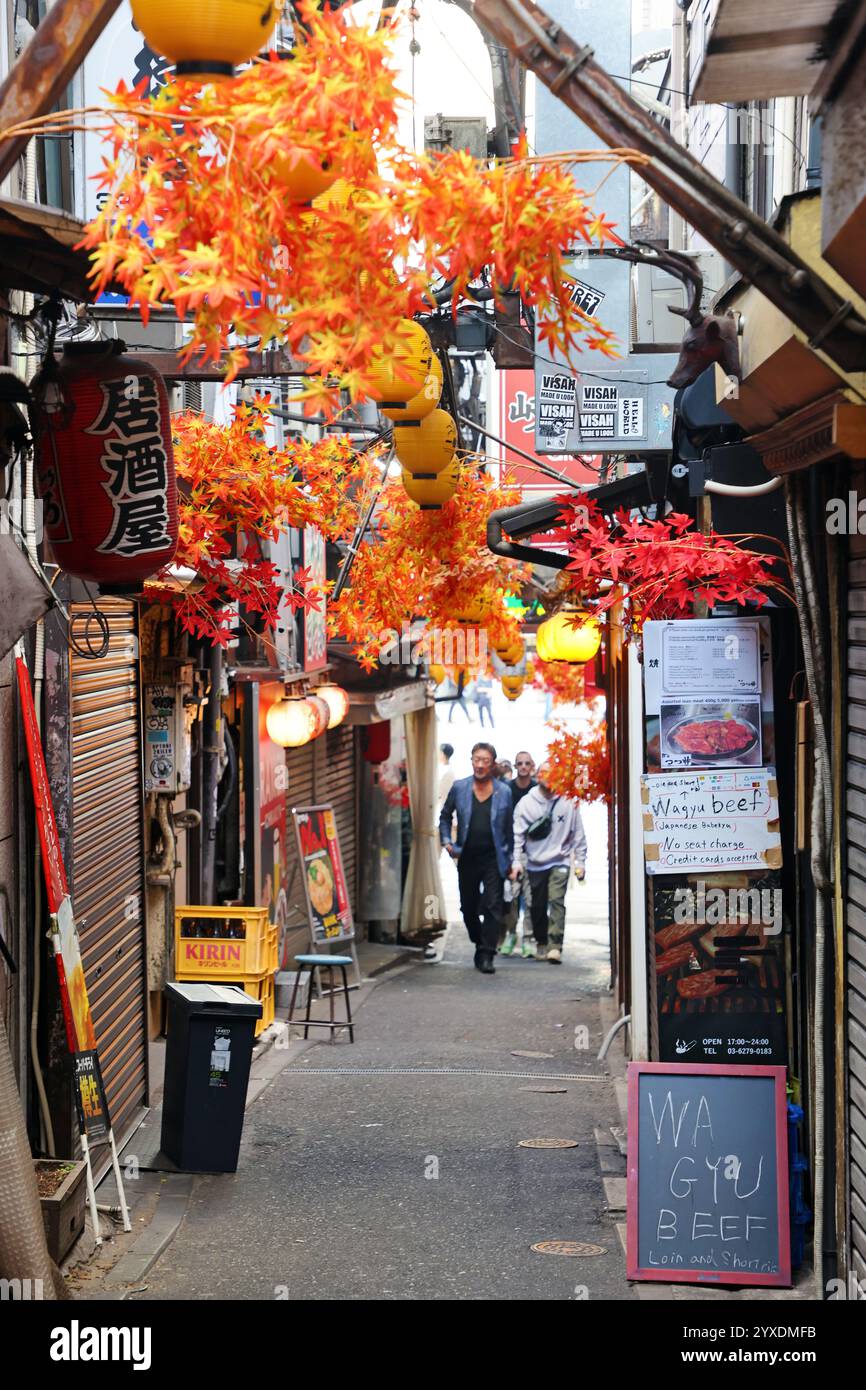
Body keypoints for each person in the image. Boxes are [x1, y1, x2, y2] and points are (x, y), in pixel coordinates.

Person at [439, 742, 513, 975]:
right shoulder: (460, 788)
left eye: (485, 761)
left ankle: (487, 953)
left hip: (494, 857)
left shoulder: (504, 792)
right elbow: (443, 816)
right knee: (468, 906)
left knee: (493, 905)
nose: (480, 765)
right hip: (467, 855)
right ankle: (479, 939)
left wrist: (512, 860)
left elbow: (510, 829)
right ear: (471, 760)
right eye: (476, 760)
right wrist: (447, 842)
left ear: (493, 764)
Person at [511, 763, 586, 963]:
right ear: (537, 775)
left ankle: (555, 946)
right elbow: (517, 836)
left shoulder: (570, 801)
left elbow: (578, 834)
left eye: (554, 772)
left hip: (560, 860)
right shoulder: (526, 803)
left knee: (556, 900)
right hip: (535, 863)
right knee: (536, 905)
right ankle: (541, 941)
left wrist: (580, 862)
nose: (549, 777)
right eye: (545, 773)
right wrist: (516, 862)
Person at [501, 752, 537, 957]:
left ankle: (528, 937)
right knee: (511, 895)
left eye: (527, 763)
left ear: (532, 766)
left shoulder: (536, 789)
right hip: (510, 848)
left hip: (533, 850)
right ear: (515, 766)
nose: (523, 766)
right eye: (520, 763)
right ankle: (511, 933)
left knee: (530, 896)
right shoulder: (507, 789)